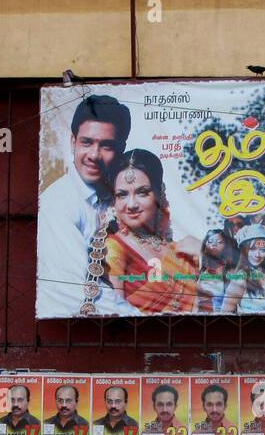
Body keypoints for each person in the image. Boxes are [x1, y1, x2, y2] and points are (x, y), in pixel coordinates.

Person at [37, 94, 131, 317]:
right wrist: (144, 312)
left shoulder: (115, 195)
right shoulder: (58, 202)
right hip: (73, 326)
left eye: (106, 146)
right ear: (73, 142)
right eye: (86, 142)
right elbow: (79, 289)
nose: (93, 155)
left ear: (120, 148)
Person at [96, 149, 201, 313]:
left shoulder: (179, 250)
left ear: (159, 193)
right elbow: (115, 314)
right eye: (122, 195)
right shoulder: (114, 248)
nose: (131, 205)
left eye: (142, 192)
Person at [198, 228, 238, 312]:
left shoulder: (230, 271)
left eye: (219, 242)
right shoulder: (199, 268)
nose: (214, 244)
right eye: (210, 241)